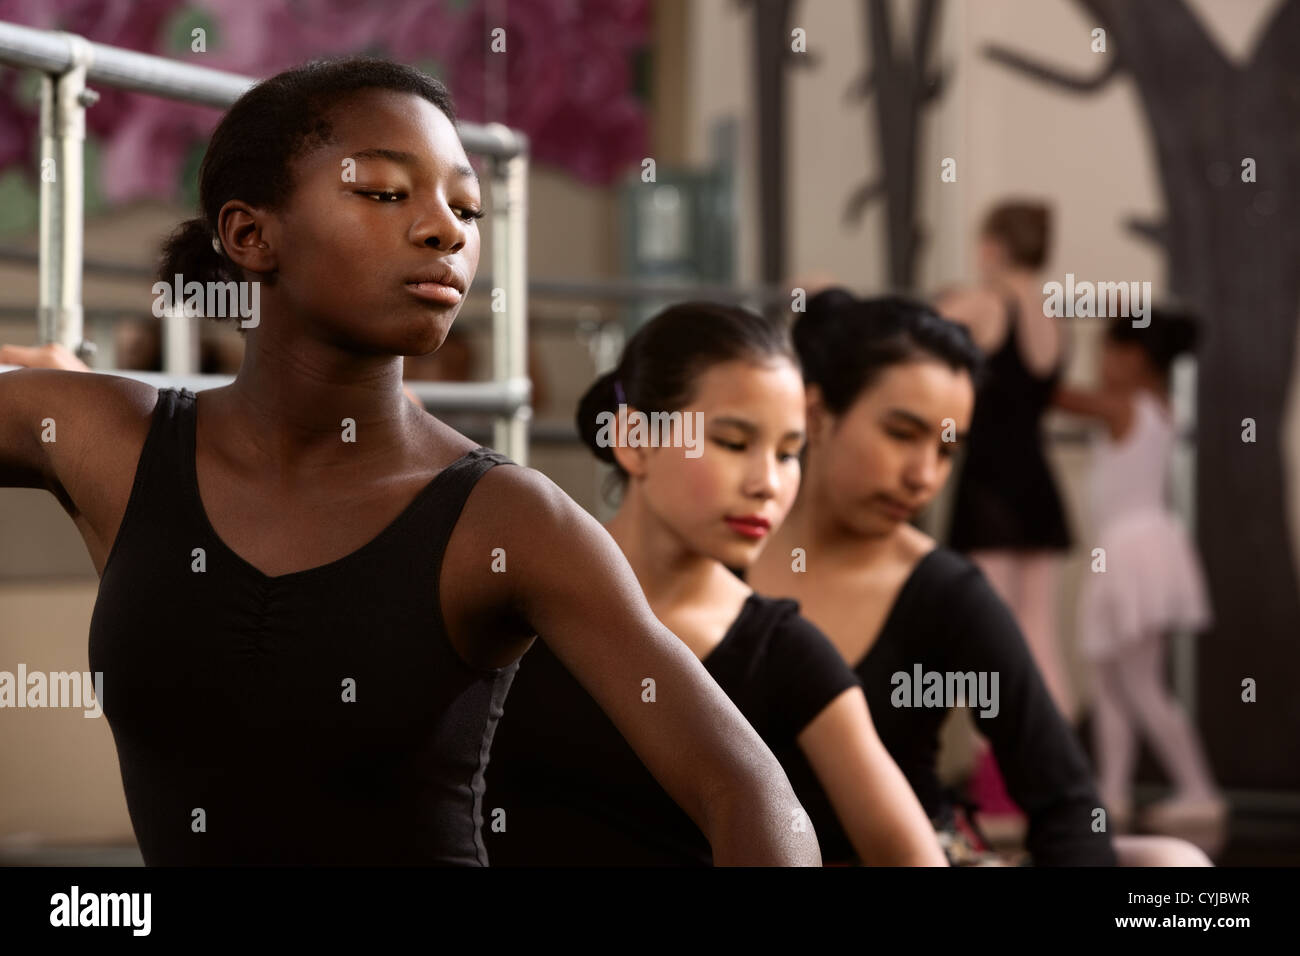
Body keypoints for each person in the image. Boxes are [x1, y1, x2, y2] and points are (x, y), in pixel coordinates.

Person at [0, 57, 820, 866]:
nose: (447, 229)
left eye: (467, 208)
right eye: (386, 193)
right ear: (250, 235)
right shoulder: (108, 437)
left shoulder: (508, 521)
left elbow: (749, 796)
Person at [484, 302, 947, 866]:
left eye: (789, 452)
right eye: (733, 442)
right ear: (635, 439)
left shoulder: (785, 653)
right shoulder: (516, 596)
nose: (768, 484)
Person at [748, 290, 1116, 865]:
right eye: (901, 433)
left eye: (948, 450)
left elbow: (1068, 803)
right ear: (817, 415)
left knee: (1177, 872)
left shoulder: (946, 592)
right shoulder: (720, 563)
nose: (924, 476)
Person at [1054, 308, 1224, 832]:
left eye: (1106, 350)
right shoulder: (1156, 405)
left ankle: (1199, 790)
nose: (1099, 362)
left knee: (1141, 684)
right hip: (1131, 550)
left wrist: (1043, 337)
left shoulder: (1128, 405)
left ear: (1135, 358)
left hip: (1133, 554)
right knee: (1112, 683)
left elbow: (1058, 396)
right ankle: (1113, 792)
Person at [935, 200, 1075, 818]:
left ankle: (1003, 791)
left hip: (993, 485)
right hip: (1038, 482)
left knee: (995, 641)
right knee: (1040, 636)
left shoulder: (987, 304)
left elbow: (912, 324)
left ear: (994, 245)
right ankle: (1062, 782)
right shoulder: (1054, 314)